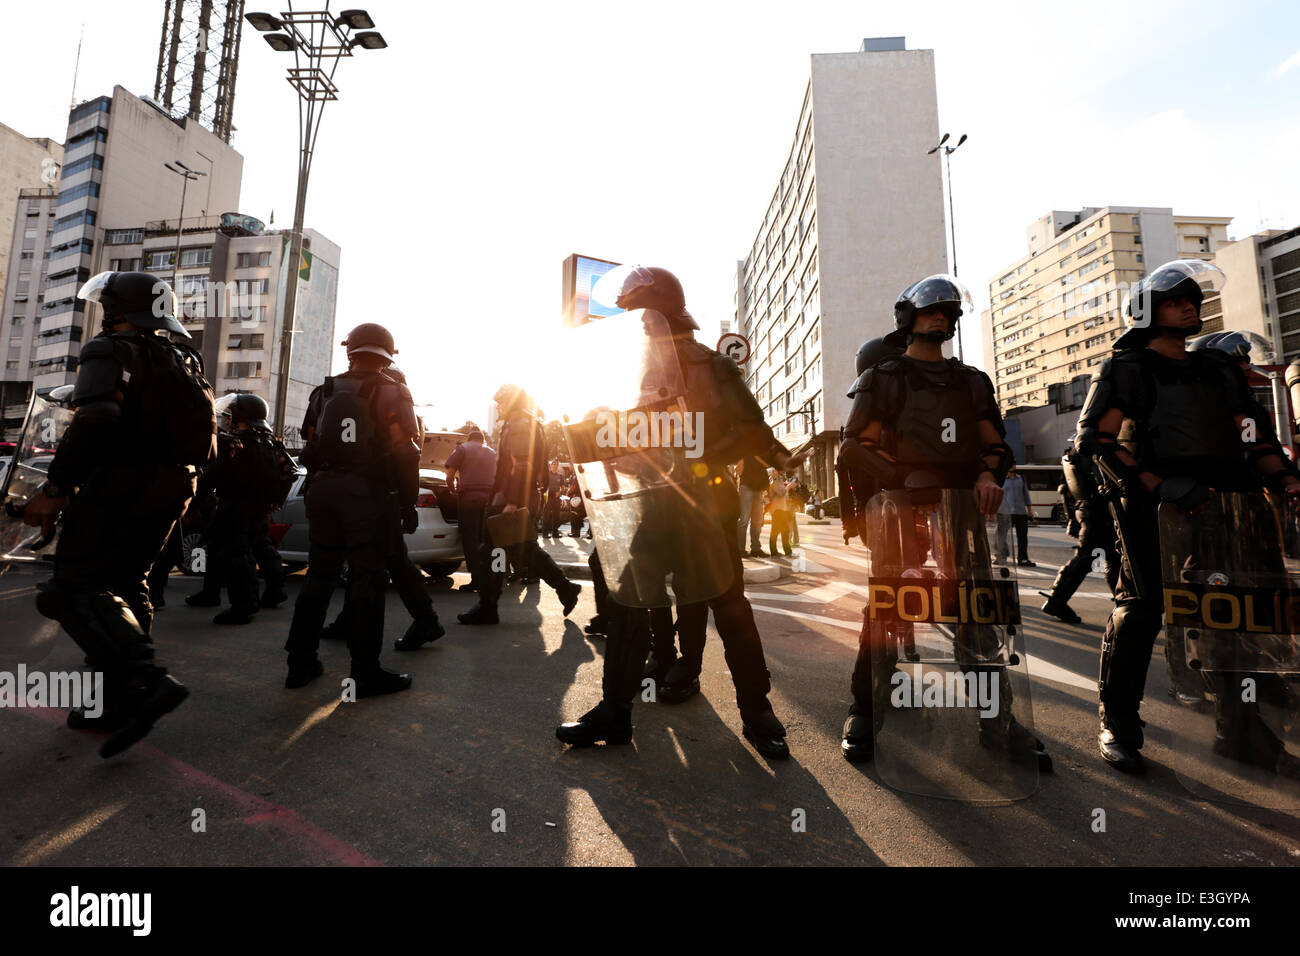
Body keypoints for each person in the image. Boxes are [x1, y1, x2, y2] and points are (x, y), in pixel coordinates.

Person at [556, 264, 801, 759]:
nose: (629, 321)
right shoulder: (631, 373)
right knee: (627, 604)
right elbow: (611, 438)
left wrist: (704, 453)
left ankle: (757, 712)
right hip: (650, 505)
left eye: (633, 311)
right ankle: (615, 712)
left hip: (705, 505)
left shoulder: (711, 366)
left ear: (658, 311)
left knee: (730, 608)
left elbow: (752, 429)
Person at [1075, 259, 1300, 775]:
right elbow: (1097, 444)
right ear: (1146, 311)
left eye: (1193, 300)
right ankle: (1119, 726)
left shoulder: (1219, 370)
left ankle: (1242, 733)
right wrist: (1164, 487)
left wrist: (1286, 479)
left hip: (1229, 508)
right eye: (1175, 300)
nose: (1188, 306)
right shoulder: (1126, 368)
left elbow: (1256, 438)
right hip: (1155, 511)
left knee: (1233, 613)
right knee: (1142, 609)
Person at [837, 273, 1049, 768]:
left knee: (976, 613)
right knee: (887, 608)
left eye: (949, 311)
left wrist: (986, 475)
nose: (942, 316)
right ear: (908, 318)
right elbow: (853, 445)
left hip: (963, 514)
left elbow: (995, 444)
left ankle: (998, 721)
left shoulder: (971, 381)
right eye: (932, 309)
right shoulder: (884, 378)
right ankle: (864, 713)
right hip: (900, 514)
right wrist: (900, 477)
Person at [22, 271, 213, 756]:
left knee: (70, 589)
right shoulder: (181, 359)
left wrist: (57, 486)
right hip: (173, 486)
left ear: (115, 310)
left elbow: (95, 421)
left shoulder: (110, 350)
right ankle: (118, 704)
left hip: (122, 484)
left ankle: (146, 679)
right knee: (129, 586)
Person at [282, 323, 419, 696]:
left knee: (318, 577)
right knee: (366, 580)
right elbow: (406, 452)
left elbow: (308, 443)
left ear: (351, 351)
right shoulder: (394, 391)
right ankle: (365, 671)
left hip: (323, 491)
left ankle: (300, 663)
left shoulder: (323, 391)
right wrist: (408, 502)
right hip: (366, 496)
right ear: (387, 355)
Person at [457, 385, 582, 626]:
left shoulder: (520, 425)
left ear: (511, 403)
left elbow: (521, 466)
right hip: (510, 497)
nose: (499, 407)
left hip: (511, 499)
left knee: (501, 551)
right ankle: (562, 588)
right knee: (508, 551)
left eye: (501, 402)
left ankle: (489, 606)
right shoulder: (521, 422)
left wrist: (513, 501)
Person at [202, 394, 294, 625]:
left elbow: (214, 474)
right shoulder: (272, 443)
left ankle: (243, 605)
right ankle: (275, 591)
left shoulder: (234, 443)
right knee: (261, 546)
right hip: (259, 507)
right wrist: (276, 498)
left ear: (241, 416)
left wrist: (198, 497)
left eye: (233, 415)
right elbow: (289, 473)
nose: (229, 419)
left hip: (234, 505)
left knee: (236, 553)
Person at [1039, 447, 1119, 625]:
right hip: (1100, 512)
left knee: (1112, 558)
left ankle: (1124, 601)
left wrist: (1071, 518)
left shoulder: (1072, 455)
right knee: (1090, 558)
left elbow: (1064, 489)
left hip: (1088, 510)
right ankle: (1057, 600)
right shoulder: (1093, 451)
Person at [444, 429, 498, 592]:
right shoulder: (493, 452)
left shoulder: (463, 448)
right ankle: (495, 576)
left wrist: (451, 490)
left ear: (469, 439)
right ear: (482, 440)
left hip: (469, 500)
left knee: (471, 539)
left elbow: (450, 474)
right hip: (490, 500)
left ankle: (477, 579)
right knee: (490, 540)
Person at [994, 464, 1035, 567]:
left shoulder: (1021, 478)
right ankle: (1001, 556)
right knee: (1001, 536)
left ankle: (1023, 559)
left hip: (1021, 512)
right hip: (1004, 512)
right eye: (1011, 464)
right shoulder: (1001, 479)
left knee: (1022, 537)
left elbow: (1026, 495)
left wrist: (1029, 510)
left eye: (1014, 464)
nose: (1013, 466)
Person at [736, 454, 769, 556]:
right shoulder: (744, 451)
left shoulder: (761, 452)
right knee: (744, 519)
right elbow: (738, 470)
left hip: (758, 489)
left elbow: (767, 464)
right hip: (746, 487)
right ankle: (740, 549)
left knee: (757, 521)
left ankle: (755, 549)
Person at [767, 469, 794, 557]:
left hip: (780, 508)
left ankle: (783, 552)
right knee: (779, 530)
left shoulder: (779, 479)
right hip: (777, 508)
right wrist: (788, 487)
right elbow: (780, 493)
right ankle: (780, 552)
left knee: (783, 530)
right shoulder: (774, 479)